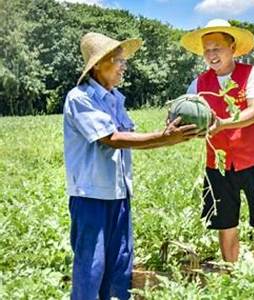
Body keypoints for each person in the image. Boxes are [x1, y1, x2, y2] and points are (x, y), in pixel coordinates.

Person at [63, 32, 200, 299]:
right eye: (118, 60)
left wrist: (168, 133)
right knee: (91, 267)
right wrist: (164, 138)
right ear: (98, 64)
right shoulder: (80, 98)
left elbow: (130, 137)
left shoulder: (115, 98)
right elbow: (111, 139)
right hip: (91, 195)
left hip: (119, 193)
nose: (124, 66)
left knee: (119, 265)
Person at [181, 19, 254, 267]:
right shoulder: (199, 84)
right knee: (225, 222)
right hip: (218, 163)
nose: (211, 55)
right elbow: (186, 112)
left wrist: (223, 124)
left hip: (253, 159)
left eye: (217, 48)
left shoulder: (252, 74)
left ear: (233, 48)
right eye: (207, 49)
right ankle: (230, 273)